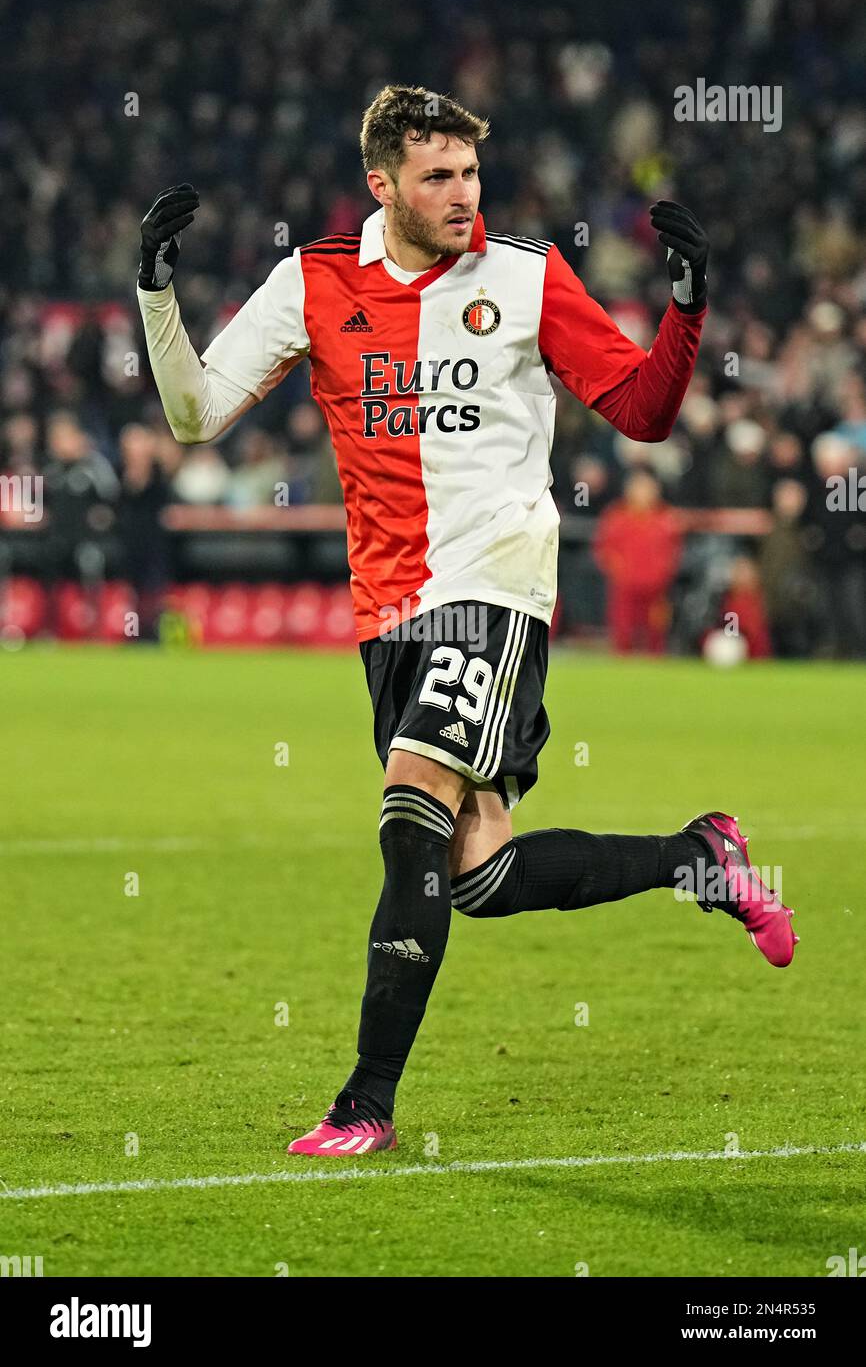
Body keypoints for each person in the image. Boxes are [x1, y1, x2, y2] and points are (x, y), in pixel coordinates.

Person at [136, 84, 797, 1159]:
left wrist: (683, 315)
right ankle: (698, 856)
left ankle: (365, 1100)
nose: (461, 195)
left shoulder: (525, 277)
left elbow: (641, 410)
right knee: (477, 873)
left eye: (470, 173)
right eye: (436, 175)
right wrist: (155, 296)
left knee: (410, 814)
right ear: (381, 183)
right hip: (385, 611)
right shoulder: (315, 282)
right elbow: (192, 412)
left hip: (493, 584)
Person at [593, 468, 682, 654]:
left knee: (656, 633)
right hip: (625, 588)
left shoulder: (666, 519)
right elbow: (604, 549)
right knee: (623, 633)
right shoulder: (616, 516)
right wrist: (618, 570)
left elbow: (674, 552)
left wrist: (663, 573)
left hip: (657, 589)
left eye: (648, 489)